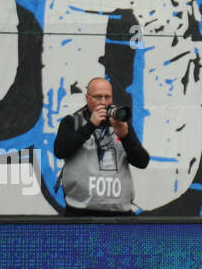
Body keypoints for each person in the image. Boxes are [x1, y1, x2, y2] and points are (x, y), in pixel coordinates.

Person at [52, 77, 150, 216]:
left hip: (119, 212)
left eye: (107, 97)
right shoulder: (72, 121)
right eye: (98, 97)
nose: (103, 102)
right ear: (87, 98)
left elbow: (142, 162)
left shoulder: (120, 124)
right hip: (81, 211)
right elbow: (60, 151)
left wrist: (125, 136)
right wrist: (90, 126)